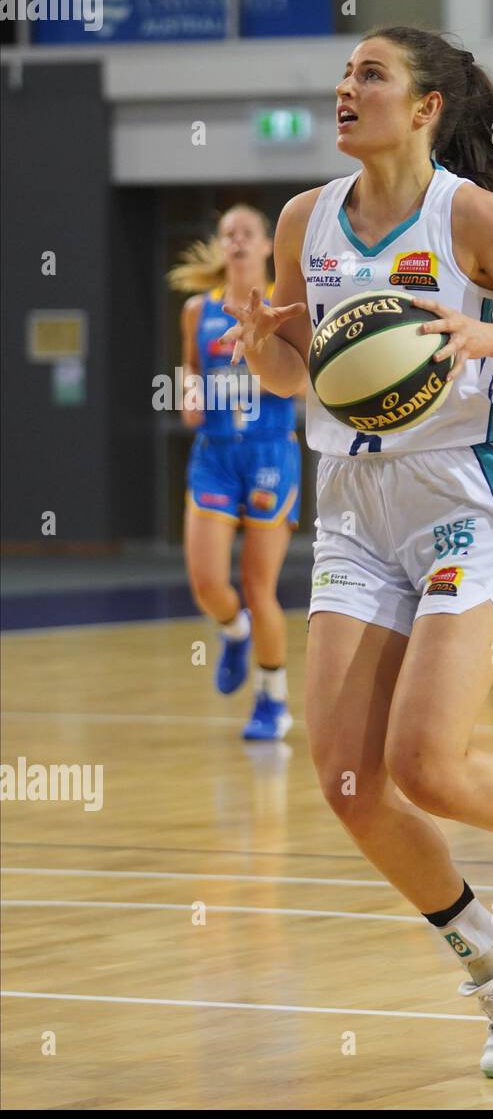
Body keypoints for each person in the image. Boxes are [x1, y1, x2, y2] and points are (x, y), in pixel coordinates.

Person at [222, 27, 493, 1076]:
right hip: (352, 508)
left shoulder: (470, 215)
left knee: (427, 762)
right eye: (342, 74)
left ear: (424, 107)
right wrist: (266, 348)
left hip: (462, 498)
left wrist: (487, 336)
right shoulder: (306, 220)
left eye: (369, 75)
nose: (344, 88)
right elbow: (302, 374)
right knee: (344, 782)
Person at [168, 205, 300, 741]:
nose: (238, 242)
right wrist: (189, 392)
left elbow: (302, 383)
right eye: (228, 235)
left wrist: (259, 370)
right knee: (206, 583)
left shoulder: (284, 306)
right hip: (216, 453)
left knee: (257, 584)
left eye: (247, 234)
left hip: (269, 453)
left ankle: (273, 698)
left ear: (267, 245)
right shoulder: (198, 311)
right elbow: (191, 372)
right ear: (221, 247)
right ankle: (233, 629)